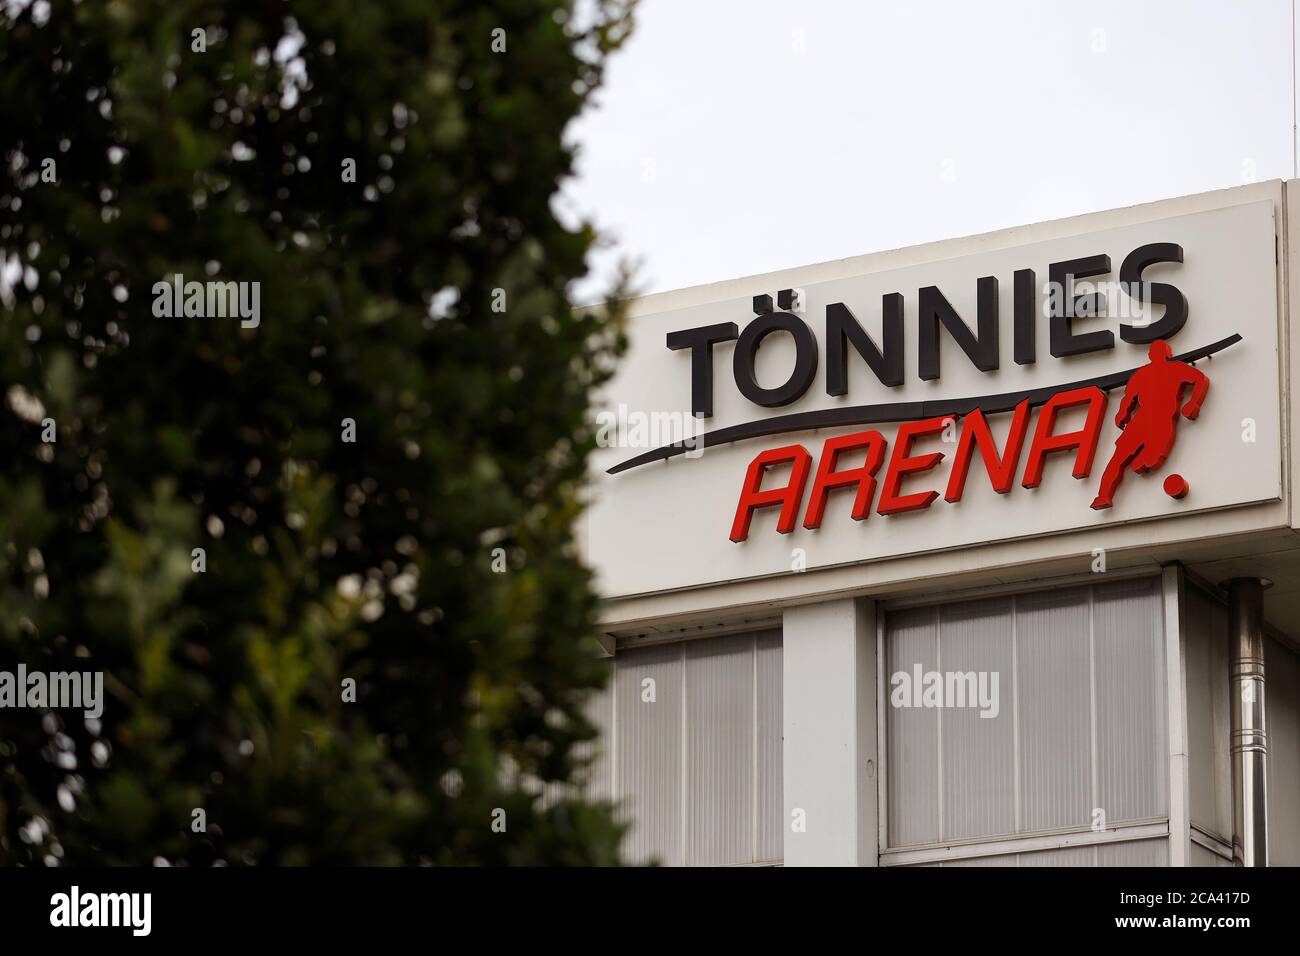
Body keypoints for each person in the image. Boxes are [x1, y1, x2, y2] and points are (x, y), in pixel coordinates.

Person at [1090, 339, 1209, 510]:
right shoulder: (1142, 374)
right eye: (1154, 352)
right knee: (1119, 457)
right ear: (1151, 355)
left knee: (1147, 460)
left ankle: (1142, 461)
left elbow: (1200, 380)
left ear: (1166, 354)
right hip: (1143, 419)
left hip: (1161, 418)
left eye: (1159, 351)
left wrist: (1194, 403)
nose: (1156, 355)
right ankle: (1103, 496)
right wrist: (1122, 413)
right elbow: (1128, 398)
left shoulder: (1175, 368)